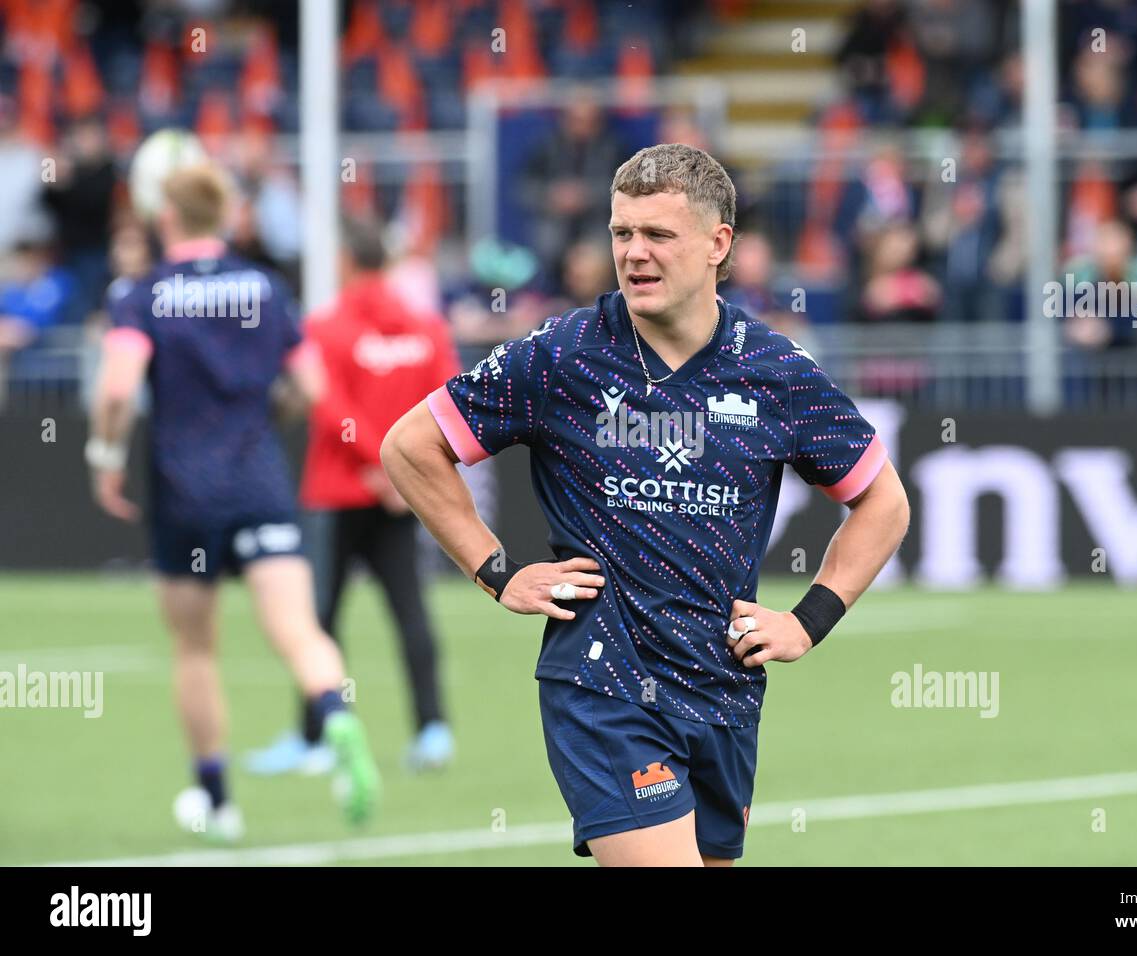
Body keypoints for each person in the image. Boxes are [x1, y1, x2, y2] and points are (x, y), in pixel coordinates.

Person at [381, 143, 910, 866]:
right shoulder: (563, 355)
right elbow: (411, 447)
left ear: (718, 243)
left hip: (725, 690)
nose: (634, 253)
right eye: (621, 233)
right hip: (604, 683)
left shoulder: (777, 372)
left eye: (658, 235)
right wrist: (497, 571)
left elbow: (883, 501)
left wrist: (808, 621)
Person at [87, 165, 380, 841]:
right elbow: (309, 387)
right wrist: (259, 419)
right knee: (300, 630)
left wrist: (103, 458)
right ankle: (335, 716)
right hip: (260, 485)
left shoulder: (145, 293)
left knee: (195, 649)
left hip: (185, 494)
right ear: (225, 218)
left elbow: (114, 388)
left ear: (166, 219)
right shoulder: (265, 288)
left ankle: (217, 801)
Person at [246, 216, 459, 775]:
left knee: (317, 618)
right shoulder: (426, 326)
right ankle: (433, 729)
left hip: (339, 492)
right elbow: (451, 400)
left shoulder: (328, 326)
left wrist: (375, 463)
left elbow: (330, 407)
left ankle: (314, 738)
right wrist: (400, 469)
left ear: (345, 262)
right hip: (400, 493)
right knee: (410, 610)